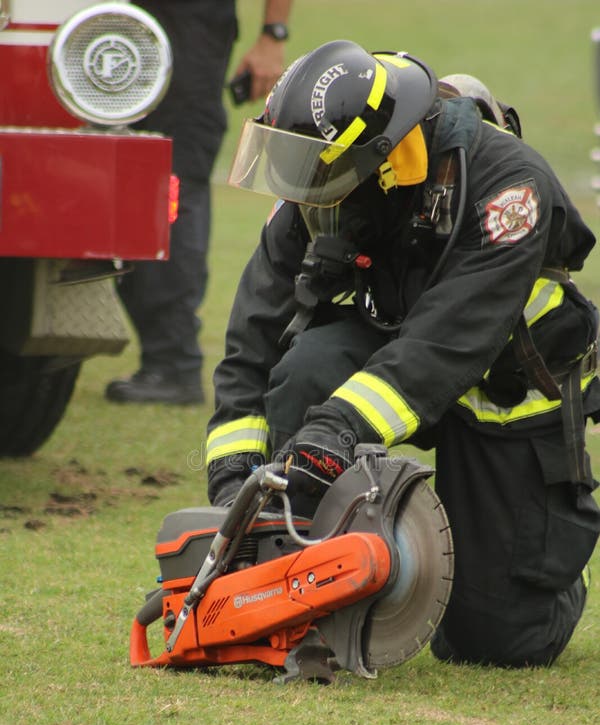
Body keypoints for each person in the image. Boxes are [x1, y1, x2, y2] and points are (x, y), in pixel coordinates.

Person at [205, 39, 600, 669]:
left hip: (506, 379)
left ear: (381, 159)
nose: (300, 185)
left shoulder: (507, 189)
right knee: (306, 368)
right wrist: (233, 483)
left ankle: (533, 580)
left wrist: (335, 430)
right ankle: (293, 582)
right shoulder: (321, 182)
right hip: (393, 347)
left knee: (494, 642)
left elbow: (446, 343)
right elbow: (252, 340)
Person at [105, 0, 293, 405]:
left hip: (187, 23)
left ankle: (174, 363)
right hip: (112, 21)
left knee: (169, 183)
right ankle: (166, 357)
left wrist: (273, 34)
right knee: (116, 176)